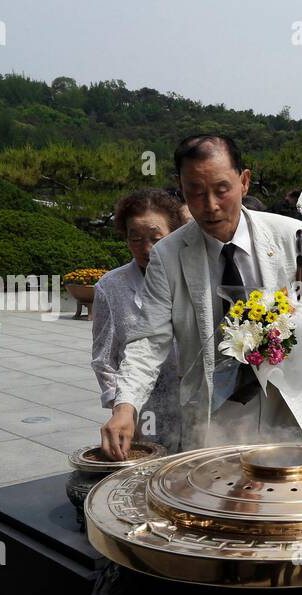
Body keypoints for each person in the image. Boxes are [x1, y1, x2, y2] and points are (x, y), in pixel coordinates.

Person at [100, 134, 302, 460]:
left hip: (284, 400)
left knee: (286, 493)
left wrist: (277, 330)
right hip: (214, 404)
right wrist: (126, 406)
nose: (210, 205)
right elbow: (148, 341)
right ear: (181, 187)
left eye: (222, 190)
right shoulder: (168, 255)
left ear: (244, 181)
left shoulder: (292, 236)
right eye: (195, 191)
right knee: (218, 496)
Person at [91, 188, 187, 453]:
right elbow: (104, 360)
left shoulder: (195, 278)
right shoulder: (111, 287)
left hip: (196, 407)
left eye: (157, 239)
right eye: (135, 239)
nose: (147, 249)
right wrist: (122, 408)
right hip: (143, 411)